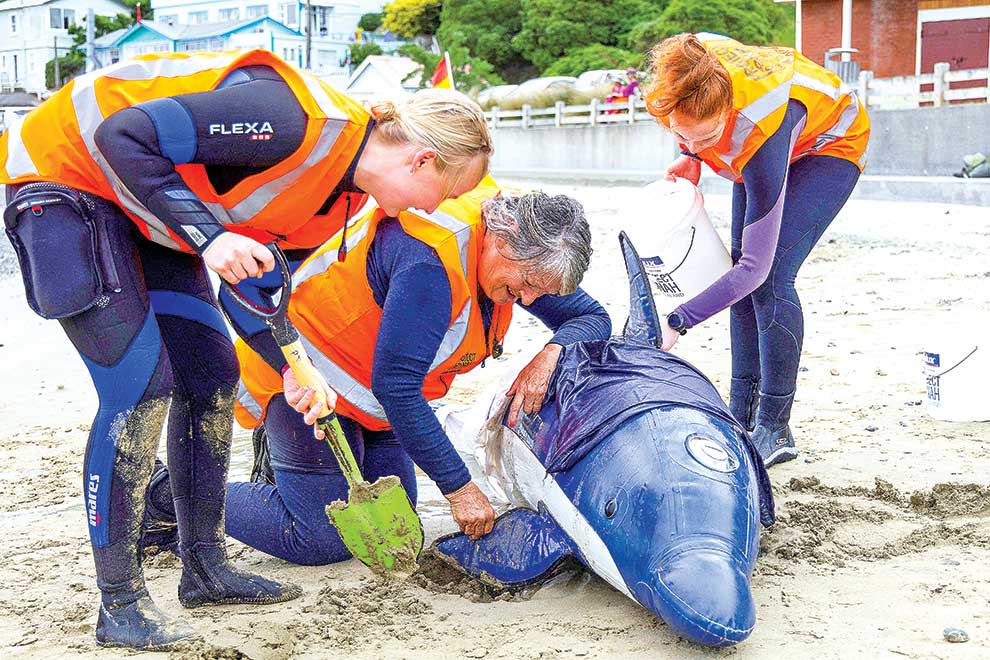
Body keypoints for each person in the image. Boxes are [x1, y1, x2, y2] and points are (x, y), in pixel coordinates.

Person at [0, 49, 491, 650]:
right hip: (68, 179)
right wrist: (210, 237)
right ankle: (120, 602)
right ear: (421, 159)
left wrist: (292, 367)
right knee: (141, 389)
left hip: (151, 213)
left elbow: (254, 290)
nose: (434, 209)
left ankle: (204, 568)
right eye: (444, 190)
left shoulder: (340, 202)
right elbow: (121, 134)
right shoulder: (293, 121)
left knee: (212, 378)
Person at [145, 184, 611, 564]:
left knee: (400, 522)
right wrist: (459, 487)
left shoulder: (525, 258)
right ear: (504, 240)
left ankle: (282, 473)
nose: (529, 300)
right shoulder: (431, 265)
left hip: (376, 404)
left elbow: (591, 317)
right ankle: (167, 492)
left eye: (539, 292)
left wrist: (551, 350)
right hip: (309, 385)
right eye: (527, 286)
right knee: (320, 539)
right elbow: (398, 388)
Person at [644, 33, 869, 467]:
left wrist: (678, 320)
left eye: (708, 137)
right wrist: (691, 155)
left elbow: (754, 269)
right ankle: (740, 410)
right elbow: (692, 123)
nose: (700, 147)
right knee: (742, 281)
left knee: (770, 277)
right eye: (684, 136)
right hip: (758, 133)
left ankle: (775, 427)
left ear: (728, 112)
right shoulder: (687, 70)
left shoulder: (761, 126)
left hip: (828, 144)